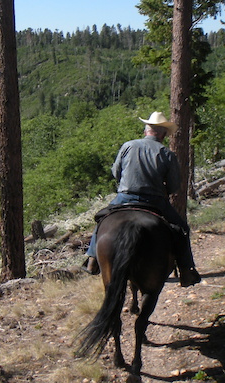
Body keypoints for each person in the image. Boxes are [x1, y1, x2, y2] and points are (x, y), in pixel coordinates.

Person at [85, 111, 201, 287]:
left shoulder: (128, 146)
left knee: (102, 219)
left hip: (125, 196)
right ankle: (186, 271)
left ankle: (92, 259)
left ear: (146, 130)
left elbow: (116, 172)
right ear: (162, 134)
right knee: (182, 229)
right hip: (155, 201)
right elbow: (173, 186)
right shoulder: (167, 154)